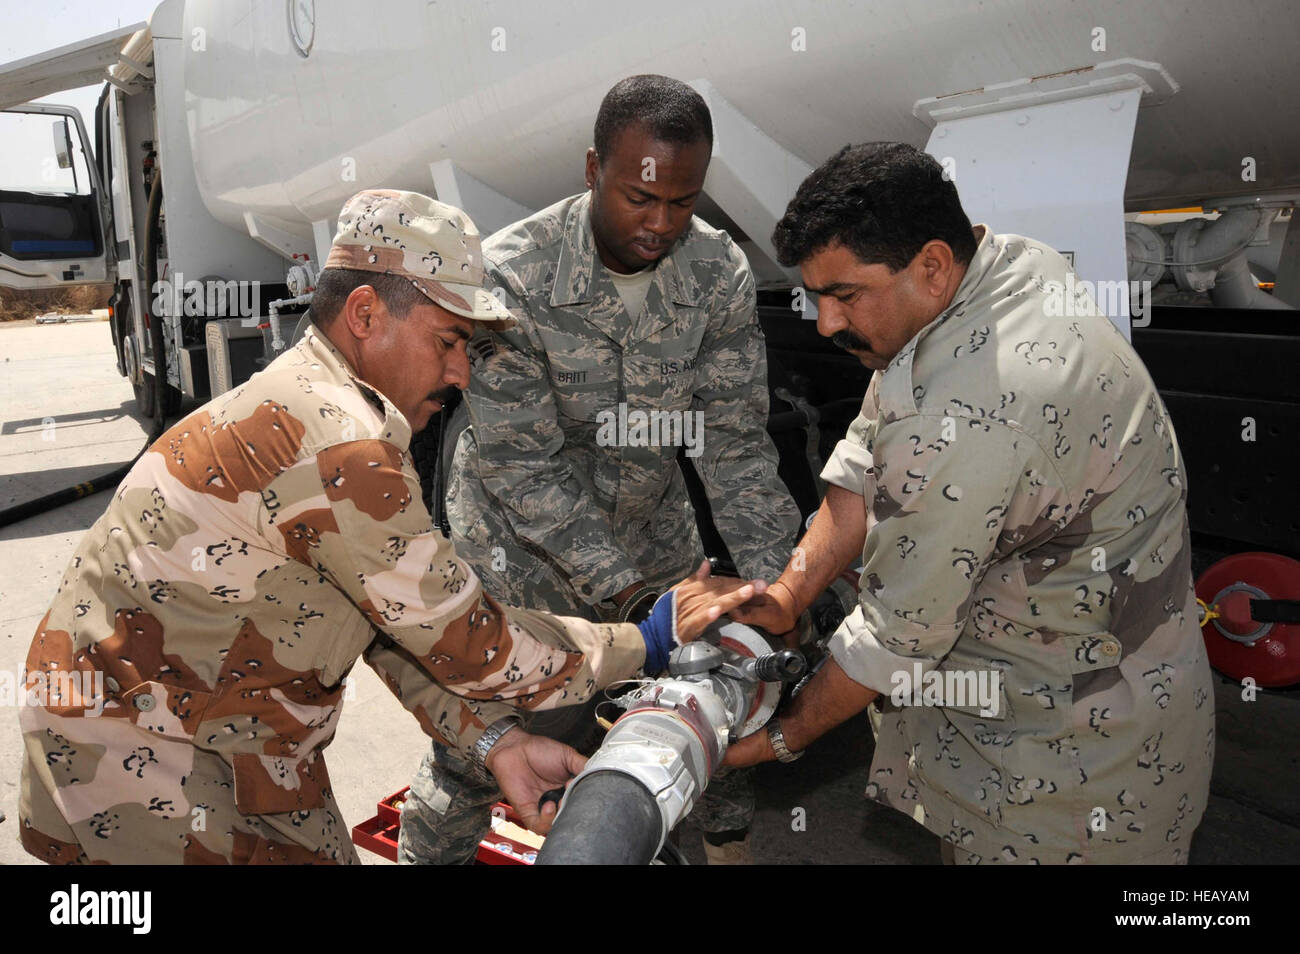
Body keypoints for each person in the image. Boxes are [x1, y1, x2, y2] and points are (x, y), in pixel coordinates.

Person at [16, 188, 759, 865]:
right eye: (447, 341)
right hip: (140, 758)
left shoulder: (315, 402)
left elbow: (381, 628)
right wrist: (651, 637)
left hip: (225, 734)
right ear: (366, 315)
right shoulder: (341, 444)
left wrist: (493, 741)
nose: (463, 373)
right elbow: (476, 647)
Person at [722, 142, 1216, 864]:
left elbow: (893, 637)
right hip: (1076, 702)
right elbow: (869, 447)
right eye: (815, 296)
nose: (826, 323)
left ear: (929, 264)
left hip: (1063, 788)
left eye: (845, 295)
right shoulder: (1001, 266)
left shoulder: (965, 416)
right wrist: (794, 591)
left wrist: (776, 739)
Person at [399, 76, 801, 866]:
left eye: (682, 203)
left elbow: (735, 443)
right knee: (495, 739)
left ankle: (718, 851)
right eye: (638, 199)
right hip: (523, 551)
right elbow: (523, 468)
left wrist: (775, 587)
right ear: (591, 169)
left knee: (703, 698)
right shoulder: (514, 278)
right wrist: (637, 604)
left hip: (653, 527)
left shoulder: (717, 272)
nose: (659, 225)